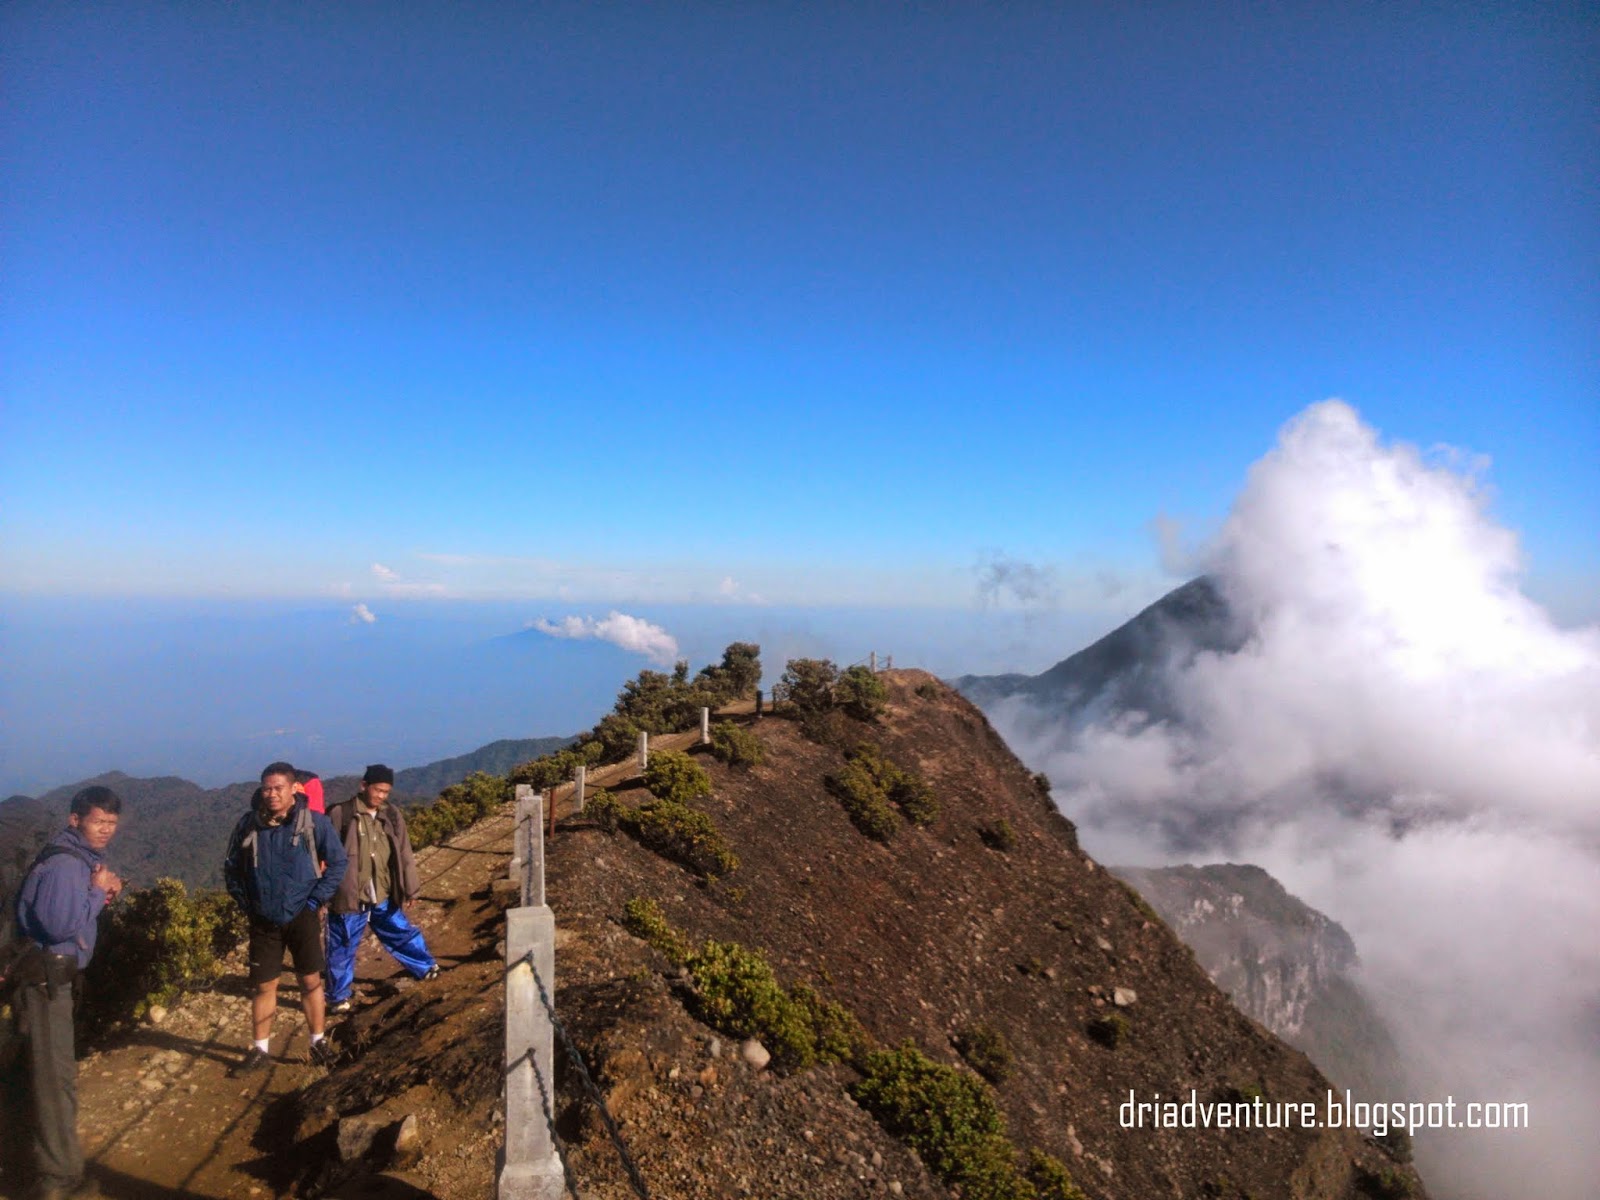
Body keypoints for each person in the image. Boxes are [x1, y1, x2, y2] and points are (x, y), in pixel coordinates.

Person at [13, 785, 125, 1199]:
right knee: (54, 1081)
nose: (106, 830)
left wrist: (101, 893)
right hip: (45, 983)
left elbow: (67, 917)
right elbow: (60, 927)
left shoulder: (80, 860)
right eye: (98, 821)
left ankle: (45, 1168)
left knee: (51, 1076)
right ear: (74, 820)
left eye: (112, 823)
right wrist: (97, 892)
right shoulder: (65, 864)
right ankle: (60, 1181)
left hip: (52, 979)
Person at [223, 762, 347, 1074]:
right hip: (263, 918)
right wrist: (248, 903)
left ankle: (317, 1043)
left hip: (301, 914)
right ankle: (260, 1050)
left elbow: (338, 862)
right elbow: (232, 869)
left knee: (310, 980)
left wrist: (317, 899)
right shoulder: (248, 825)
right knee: (264, 985)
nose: (272, 794)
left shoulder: (314, 823)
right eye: (267, 788)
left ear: (294, 789)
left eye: (278, 788)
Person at [324, 765, 439, 1014]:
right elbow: (323, 853)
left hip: (383, 891)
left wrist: (410, 888)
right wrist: (323, 893)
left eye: (386, 792)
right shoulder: (340, 814)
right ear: (363, 786)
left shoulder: (392, 815)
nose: (381, 796)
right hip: (348, 895)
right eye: (378, 790)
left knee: (400, 931)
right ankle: (338, 997)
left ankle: (426, 966)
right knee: (341, 946)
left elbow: (405, 852)